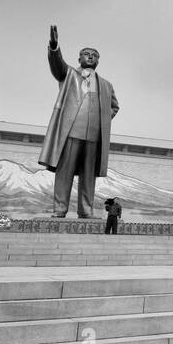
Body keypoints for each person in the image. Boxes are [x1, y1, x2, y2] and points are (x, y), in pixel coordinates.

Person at [39, 25, 120, 218]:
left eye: (94, 55)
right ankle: (60, 208)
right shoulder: (69, 75)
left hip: (93, 136)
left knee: (88, 176)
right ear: (79, 59)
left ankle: (86, 210)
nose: (90, 56)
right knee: (64, 172)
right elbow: (57, 65)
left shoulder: (106, 85)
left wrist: (103, 120)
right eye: (86, 54)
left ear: (98, 60)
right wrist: (54, 46)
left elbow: (115, 107)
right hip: (71, 132)